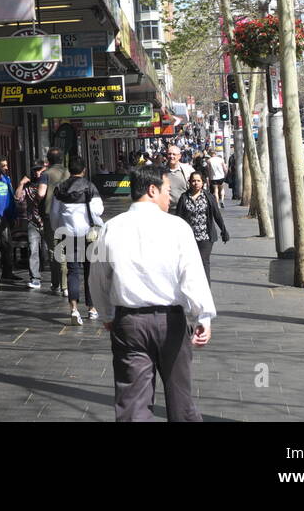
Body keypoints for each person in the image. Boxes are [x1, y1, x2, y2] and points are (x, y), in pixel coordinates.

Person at [90, 165, 216, 422]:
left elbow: (98, 279)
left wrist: (107, 315)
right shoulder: (177, 227)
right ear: (151, 189)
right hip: (172, 323)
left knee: (133, 404)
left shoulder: (111, 228)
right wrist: (203, 315)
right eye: (167, 191)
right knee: (181, 400)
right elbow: (192, 275)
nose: (169, 198)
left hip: (129, 324)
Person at [50, 155, 104, 324]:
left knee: (72, 271)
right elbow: (99, 210)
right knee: (90, 271)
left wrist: (56, 228)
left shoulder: (60, 189)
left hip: (68, 233)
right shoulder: (90, 187)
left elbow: (54, 213)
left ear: (69, 170)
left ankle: (74, 309)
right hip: (88, 234)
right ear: (84, 170)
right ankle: (92, 308)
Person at [173, 171, 230, 280]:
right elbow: (179, 217)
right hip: (188, 238)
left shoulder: (208, 197)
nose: (196, 183)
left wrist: (224, 230)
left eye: (198, 181)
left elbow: (217, 215)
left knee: (204, 263)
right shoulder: (184, 197)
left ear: (203, 182)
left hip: (205, 237)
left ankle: (206, 290)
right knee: (189, 264)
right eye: (193, 181)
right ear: (189, 182)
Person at [36, 147, 71, 296]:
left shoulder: (46, 174)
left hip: (50, 215)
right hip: (68, 215)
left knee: (54, 249)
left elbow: (41, 193)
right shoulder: (68, 173)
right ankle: (65, 285)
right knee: (65, 248)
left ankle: (56, 283)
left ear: (48, 160)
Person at [164, 144, 194, 209]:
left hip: (185, 208)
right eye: (169, 154)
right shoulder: (161, 171)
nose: (171, 156)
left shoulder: (188, 169)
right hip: (169, 210)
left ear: (179, 156)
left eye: (174, 154)